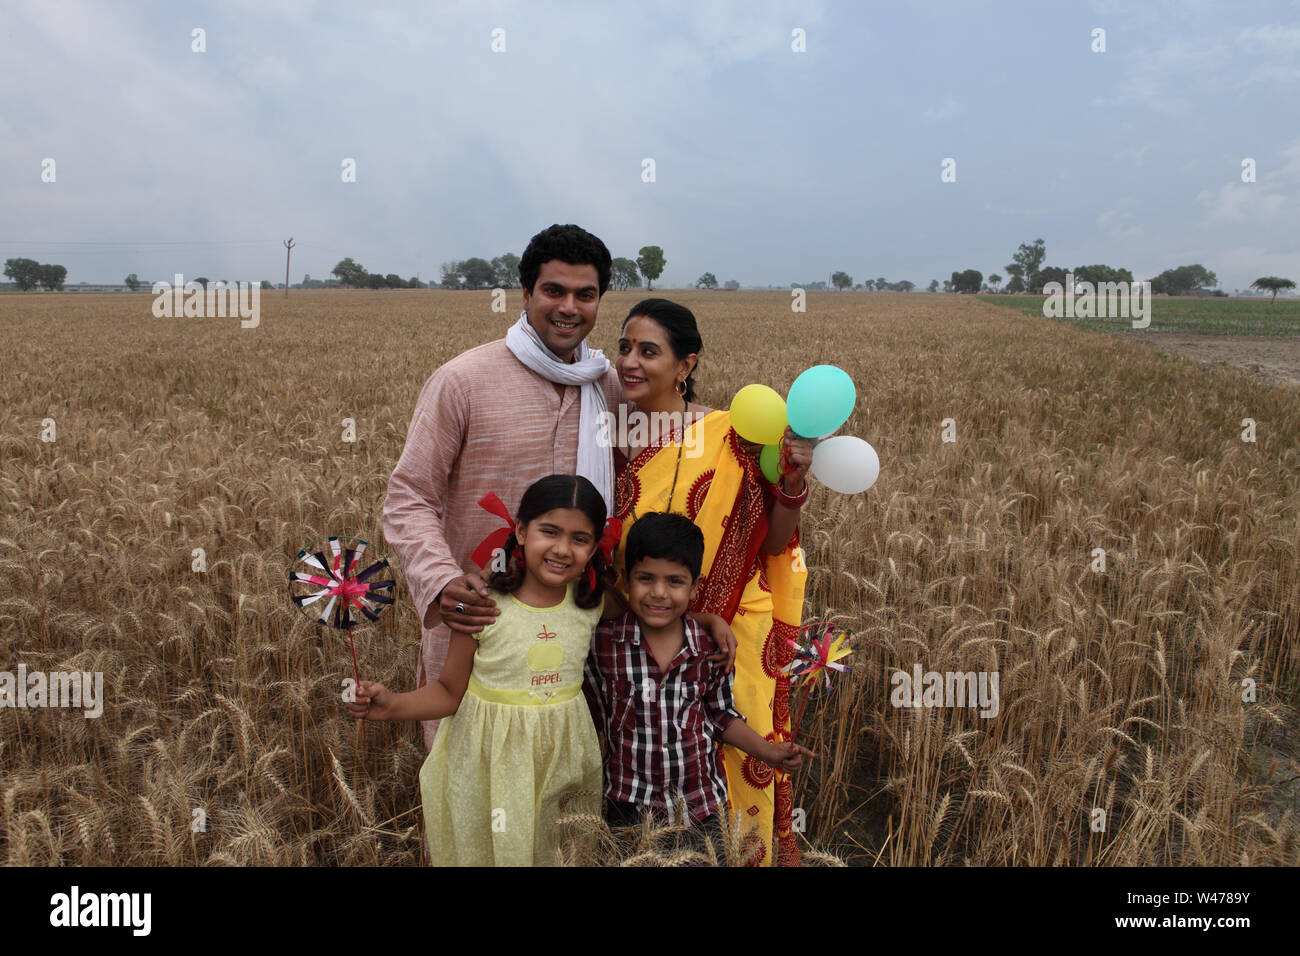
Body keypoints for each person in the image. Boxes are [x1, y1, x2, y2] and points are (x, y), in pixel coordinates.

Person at [383, 225, 735, 751]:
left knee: (568, 772)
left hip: (582, 623)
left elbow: (680, 429)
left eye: (585, 295)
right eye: (554, 291)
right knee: (469, 768)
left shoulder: (608, 386)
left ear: (598, 301)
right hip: (481, 618)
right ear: (526, 294)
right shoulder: (463, 382)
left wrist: (768, 443)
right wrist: (442, 583)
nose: (569, 307)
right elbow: (410, 496)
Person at [609, 298, 814, 866]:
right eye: (624, 347)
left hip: (730, 640)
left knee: (735, 772)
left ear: (686, 365)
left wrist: (792, 486)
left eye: (649, 351)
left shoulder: (733, 433)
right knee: (645, 773)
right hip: (636, 634)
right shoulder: (601, 434)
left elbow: (770, 545)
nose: (630, 361)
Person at [350, 475, 614, 865]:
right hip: (490, 764)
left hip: (562, 759)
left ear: (594, 548)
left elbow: (653, 614)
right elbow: (448, 691)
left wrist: (706, 622)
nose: (562, 549)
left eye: (580, 539)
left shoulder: (591, 601)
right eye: (549, 531)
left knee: (558, 851)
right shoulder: (481, 605)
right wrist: (391, 704)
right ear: (521, 531)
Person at [584, 512, 812, 860]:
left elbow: (720, 716)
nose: (658, 593)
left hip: (701, 812)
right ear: (627, 582)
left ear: (694, 588)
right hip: (627, 809)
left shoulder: (709, 647)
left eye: (675, 582)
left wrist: (768, 752)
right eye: (645, 578)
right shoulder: (603, 644)